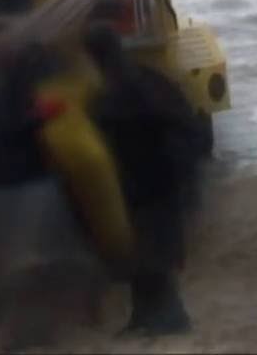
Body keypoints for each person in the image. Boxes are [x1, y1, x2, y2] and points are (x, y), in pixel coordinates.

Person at [83, 24, 206, 337]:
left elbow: (124, 124)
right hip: (155, 176)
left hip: (151, 179)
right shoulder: (143, 77)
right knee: (144, 250)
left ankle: (173, 318)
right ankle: (145, 316)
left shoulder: (120, 88)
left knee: (152, 251)